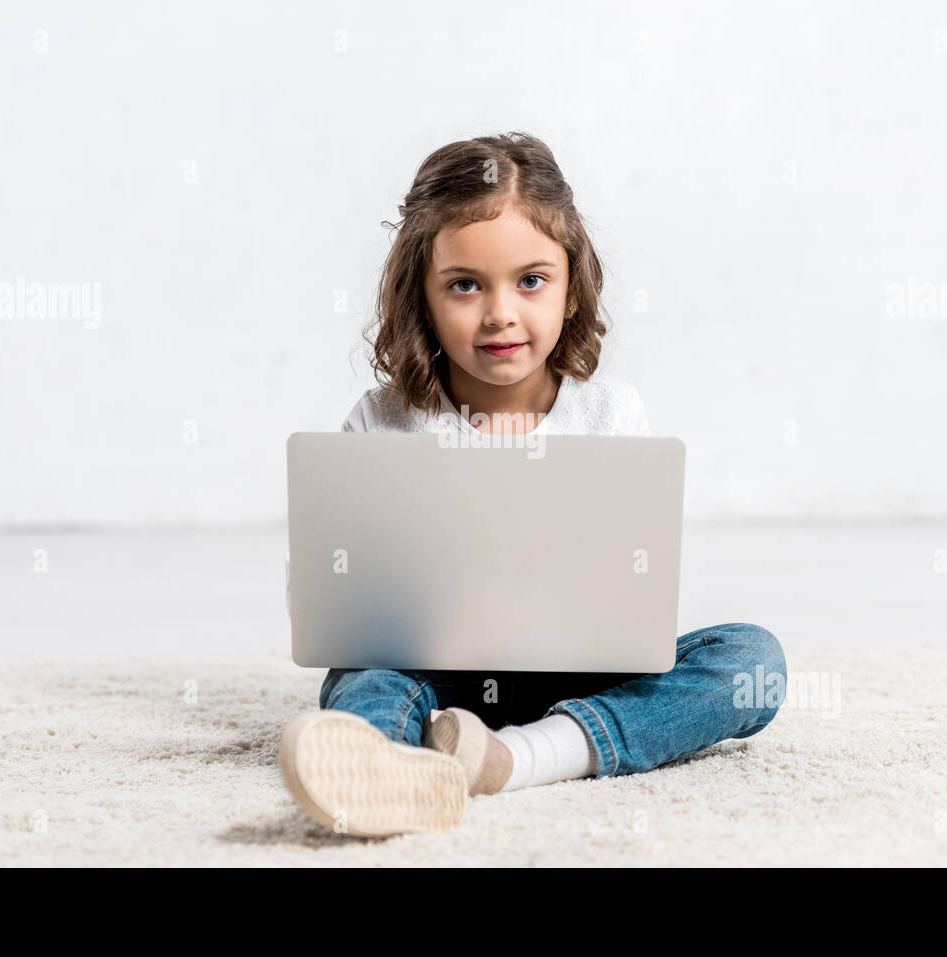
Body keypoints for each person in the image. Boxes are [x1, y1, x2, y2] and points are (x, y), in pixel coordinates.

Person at [278, 131, 787, 838]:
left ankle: (518, 759)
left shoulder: (613, 415)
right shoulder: (381, 420)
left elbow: (632, 588)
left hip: (577, 682)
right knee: (362, 680)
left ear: (571, 287)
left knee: (750, 659)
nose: (500, 314)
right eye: (464, 284)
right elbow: (337, 599)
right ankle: (385, 770)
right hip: (430, 681)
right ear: (420, 296)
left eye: (531, 280)